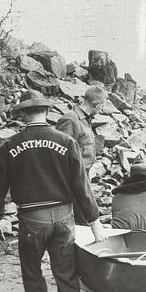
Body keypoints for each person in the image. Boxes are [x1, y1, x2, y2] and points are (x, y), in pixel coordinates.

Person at [0, 89, 108, 292]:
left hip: (32, 219)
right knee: (66, 274)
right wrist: (95, 224)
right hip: (64, 217)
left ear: (23, 114)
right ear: (46, 112)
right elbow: (81, 187)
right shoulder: (66, 142)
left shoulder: (10, 146)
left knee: (33, 272)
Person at [56, 84, 108, 224]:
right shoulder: (70, 120)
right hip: (72, 181)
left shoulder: (85, 120)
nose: (101, 110)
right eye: (101, 106)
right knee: (83, 222)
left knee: (85, 220)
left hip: (82, 178)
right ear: (96, 103)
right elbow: (60, 154)